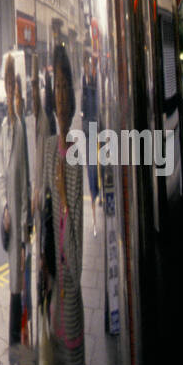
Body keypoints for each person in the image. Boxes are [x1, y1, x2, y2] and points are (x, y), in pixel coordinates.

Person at [42, 44, 88, 365]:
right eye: (52, 86)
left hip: (71, 301)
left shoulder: (73, 144)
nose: (58, 95)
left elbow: (72, 230)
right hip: (57, 295)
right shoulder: (54, 144)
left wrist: (63, 282)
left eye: (63, 86)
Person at [0, 54, 29, 365]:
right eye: (8, 86)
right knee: (14, 323)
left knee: (24, 321)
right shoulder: (6, 129)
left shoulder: (23, 126)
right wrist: (4, 208)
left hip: (25, 243)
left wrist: (22, 227)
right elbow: (2, 178)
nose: (12, 93)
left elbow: (27, 183)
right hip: (13, 245)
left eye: (15, 86)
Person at [82, 53, 100, 236]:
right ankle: (95, 195)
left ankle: (96, 195)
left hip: (94, 129)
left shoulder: (95, 84)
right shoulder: (87, 84)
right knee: (92, 168)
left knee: (94, 169)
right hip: (89, 130)